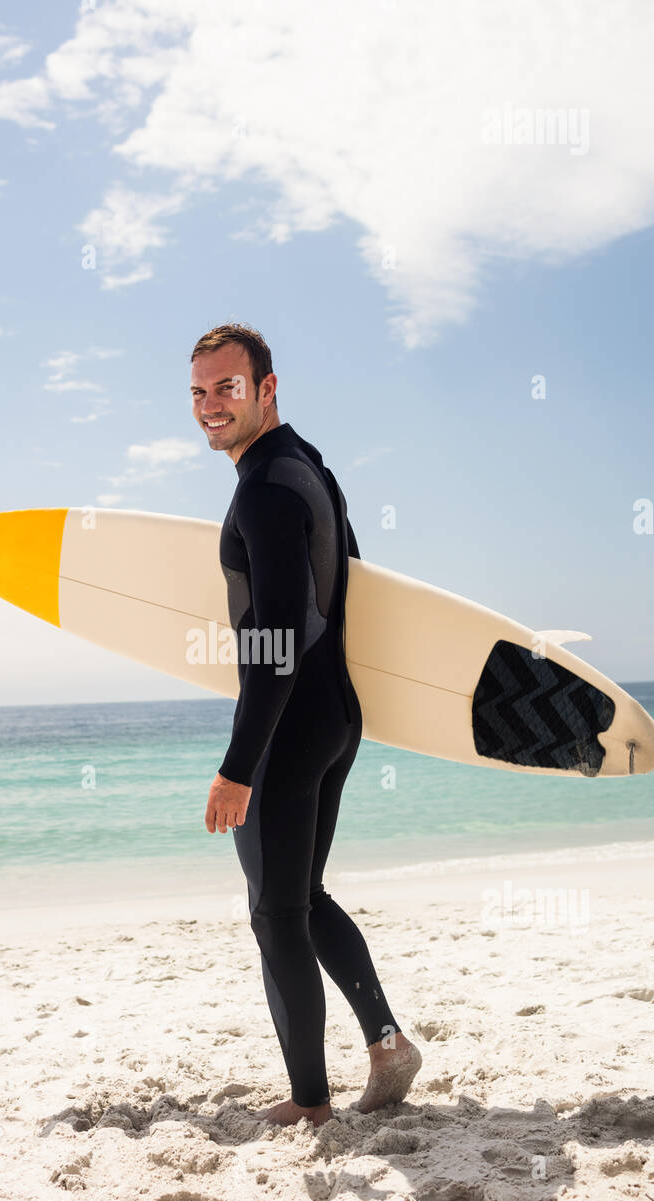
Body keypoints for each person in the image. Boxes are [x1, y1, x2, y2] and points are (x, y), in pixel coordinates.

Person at [193, 323, 422, 1129]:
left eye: (227, 387)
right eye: (199, 392)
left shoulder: (262, 489)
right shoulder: (309, 469)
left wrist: (239, 765)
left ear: (266, 388)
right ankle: (388, 1042)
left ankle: (311, 1102)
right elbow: (351, 586)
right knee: (302, 893)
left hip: (291, 726)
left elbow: (276, 641)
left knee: (274, 912)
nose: (211, 405)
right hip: (337, 715)